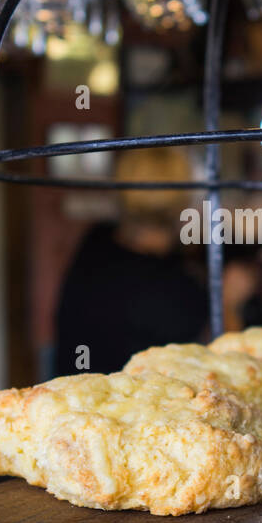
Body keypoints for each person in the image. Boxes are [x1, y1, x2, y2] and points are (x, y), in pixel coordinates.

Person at [54, 146, 207, 376]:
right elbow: (211, 365)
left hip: (72, 394)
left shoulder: (96, 242)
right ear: (186, 199)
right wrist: (228, 303)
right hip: (127, 406)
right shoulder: (174, 289)